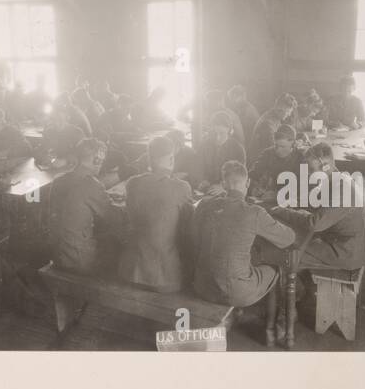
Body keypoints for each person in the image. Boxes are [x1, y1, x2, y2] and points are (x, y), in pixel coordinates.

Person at [191, 160, 297, 344]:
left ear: (223, 184)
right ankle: (270, 332)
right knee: (275, 270)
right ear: (247, 184)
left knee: (235, 261)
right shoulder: (254, 212)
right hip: (234, 292)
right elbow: (288, 238)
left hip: (202, 286)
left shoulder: (204, 205)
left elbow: (196, 239)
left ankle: (240, 314)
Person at [271, 141, 365, 271]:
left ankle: (304, 288)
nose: (309, 174)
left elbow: (315, 224)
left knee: (282, 252)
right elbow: (313, 200)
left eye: (312, 170)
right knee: (290, 240)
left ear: (325, 167)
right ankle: (308, 287)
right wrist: (283, 200)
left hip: (345, 253)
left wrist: (284, 212)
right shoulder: (337, 178)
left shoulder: (342, 190)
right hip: (341, 244)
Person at [117, 135, 196, 294]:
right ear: (171, 159)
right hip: (165, 278)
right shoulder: (181, 187)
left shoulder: (132, 183)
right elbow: (188, 228)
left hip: (131, 273)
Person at [47, 138, 127, 276]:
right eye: (101, 160)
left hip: (57, 253)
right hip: (77, 259)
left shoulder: (59, 181)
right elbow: (115, 218)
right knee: (120, 242)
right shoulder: (91, 184)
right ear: (97, 160)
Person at [248, 124, 303, 202]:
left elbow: (303, 189)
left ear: (293, 145)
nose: (277, 150)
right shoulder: (268, 153)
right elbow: (252, 175)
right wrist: (253, 188)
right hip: (265, 199)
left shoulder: (301, 159)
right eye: (276, 145)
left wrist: (278, 195)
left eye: (282, 146)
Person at [201, 111, 247, 192]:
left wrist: (223, 187)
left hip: (228, 190)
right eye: (215, 133)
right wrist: (202, 180)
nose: (218, 138)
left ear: (230, 132)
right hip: (209, 189)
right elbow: (199, 165)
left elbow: (238, 177)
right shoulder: (206, 145)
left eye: (222, 133)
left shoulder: (238, 149)